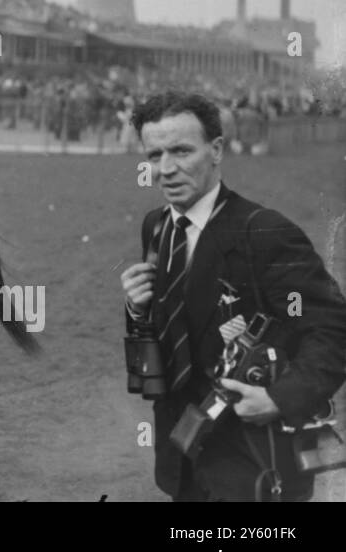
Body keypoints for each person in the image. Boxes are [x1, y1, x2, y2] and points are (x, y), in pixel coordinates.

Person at [119, 91, 346, 501]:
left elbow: (332, 330)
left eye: (181, 151)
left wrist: (280, 398)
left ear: (217, 149)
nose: (166, 169)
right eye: (154, 156)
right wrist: (138, 311)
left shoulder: (265, 232)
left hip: (255, 461)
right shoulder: (156, 227)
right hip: (182, 453)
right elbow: (175, 334)